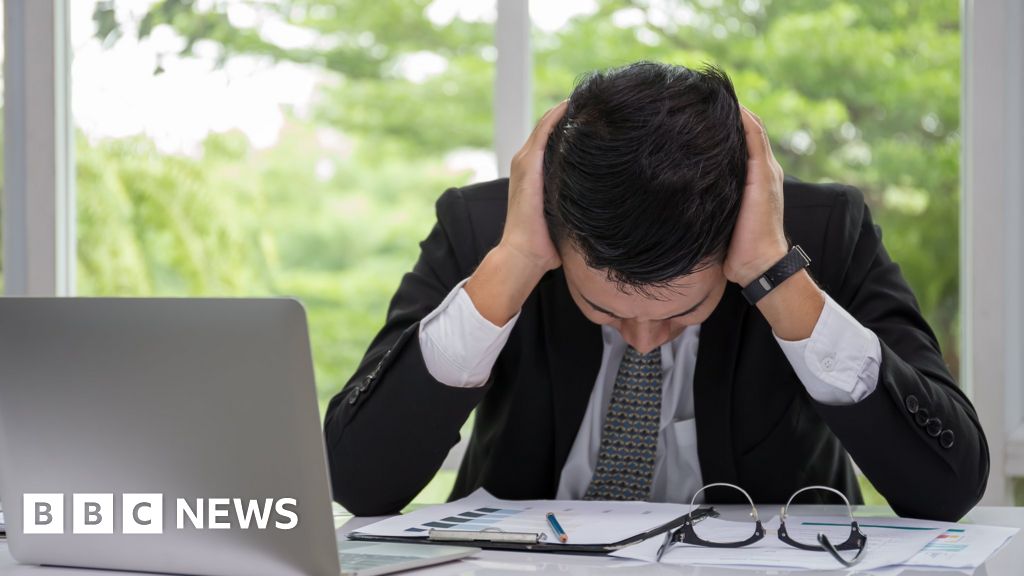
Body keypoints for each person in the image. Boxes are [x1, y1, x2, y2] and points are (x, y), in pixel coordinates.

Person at [324, 61, 989, 520]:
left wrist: (775, 276)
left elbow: (947, 488)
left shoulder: (822, 233)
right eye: (603, 308)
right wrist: (514, 263)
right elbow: (360, 481)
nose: (642, 338)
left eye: (683, 311)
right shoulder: (487, 231)